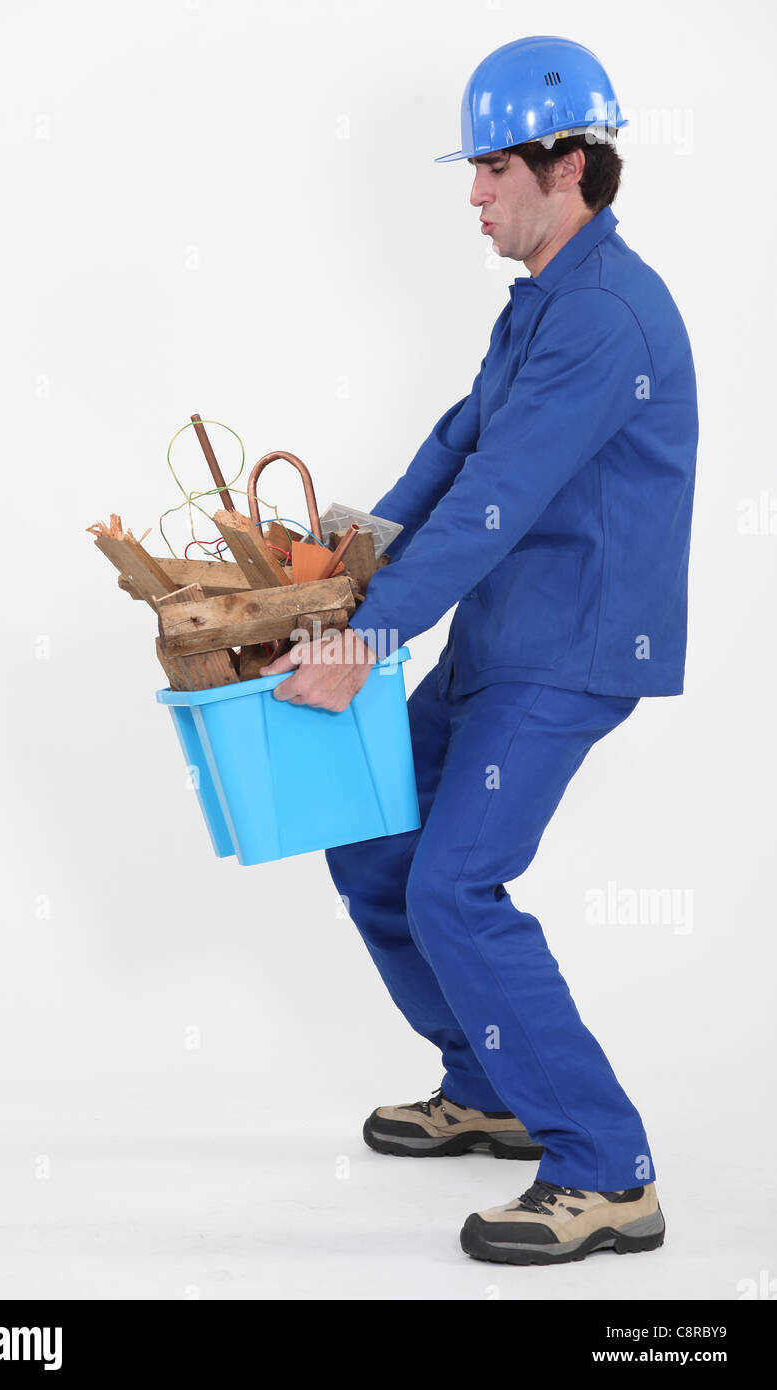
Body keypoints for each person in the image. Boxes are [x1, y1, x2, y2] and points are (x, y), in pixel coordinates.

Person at [260, 35, 697, 1265]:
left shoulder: (605, 314)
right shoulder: (543, 305)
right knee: (372, 837)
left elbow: (499, 497)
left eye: (492, 167)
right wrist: (360, 546)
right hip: (502, 635)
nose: (472, 193)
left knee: (454, 884)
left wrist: (370, 633)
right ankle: (488, 1083)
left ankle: (606, 1168)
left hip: (568, 651)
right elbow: (458, 449)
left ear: (566, 167)